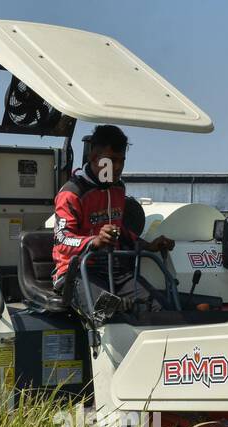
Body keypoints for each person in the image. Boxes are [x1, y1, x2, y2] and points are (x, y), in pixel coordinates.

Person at [51, 125, 174, 321]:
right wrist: (94, 241)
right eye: (111, 160)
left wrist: (148, 246)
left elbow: (122, 231)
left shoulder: (118, 188)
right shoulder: (72, 193)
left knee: (161, 309)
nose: (117, 168)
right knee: (106, 312)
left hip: (116, 270)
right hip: (77, 272)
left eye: (121, 161)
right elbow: (62, 240)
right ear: (93, 157)